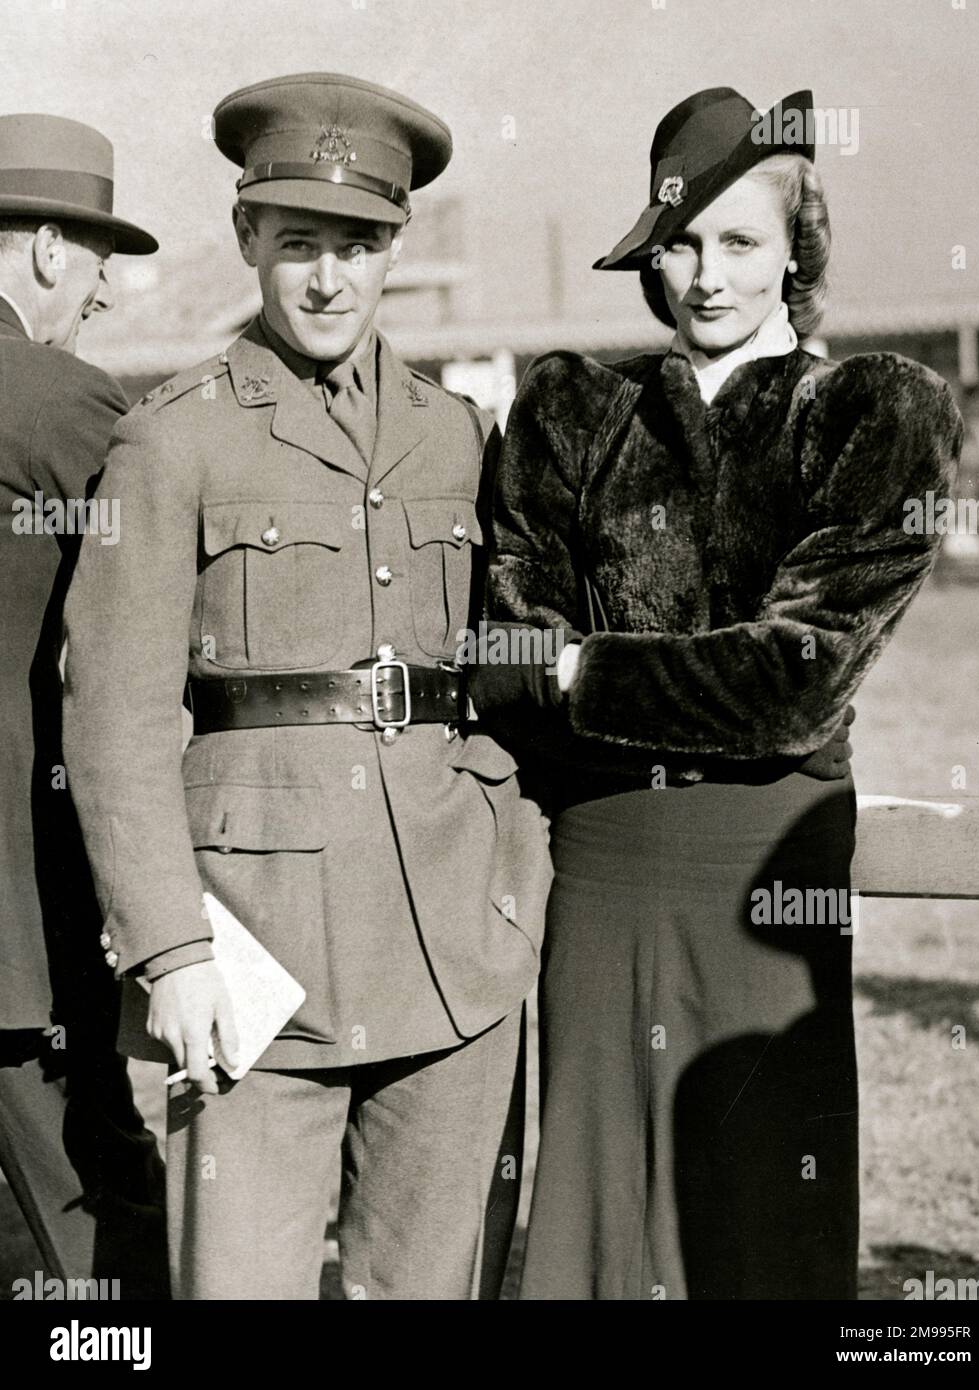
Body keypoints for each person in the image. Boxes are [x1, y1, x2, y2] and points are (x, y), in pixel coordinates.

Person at [62, 72, 551, 1301]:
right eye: (298, 244)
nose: (329, 278)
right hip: (253, 970)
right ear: (246, 241)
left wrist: (515, 888)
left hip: (453, 951)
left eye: (358, 244)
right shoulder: (168, 439)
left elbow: (508, 671)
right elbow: (114, 717)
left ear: (396, 248)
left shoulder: (457, 435)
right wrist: (173, 954)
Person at [478, 86, 963, 1299]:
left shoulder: (866, 412)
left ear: (796, 252)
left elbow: (791, 684)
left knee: (758, 1213)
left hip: (763, 879)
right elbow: (505, 645)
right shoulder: (570, 412)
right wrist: (571, 674)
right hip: (597, 863)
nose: (706, 275)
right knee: (595, 1208)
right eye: (680, 241)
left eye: (740, 241)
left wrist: (589, 669)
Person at [0, 113, 168, 1296]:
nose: (105, 295)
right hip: (18, 947)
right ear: (51, 250)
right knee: (95, 1253)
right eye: (101, 262)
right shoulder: (55, 401)